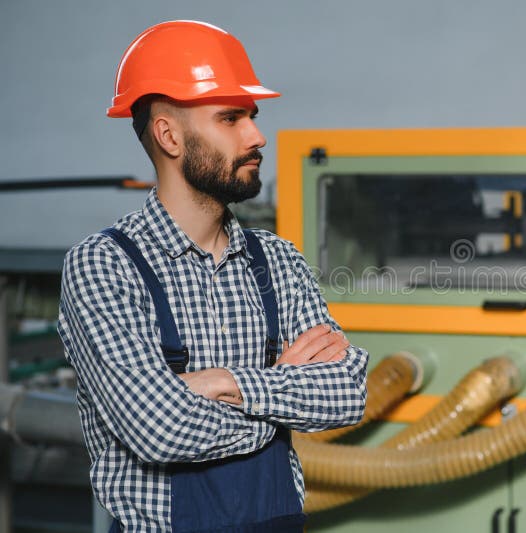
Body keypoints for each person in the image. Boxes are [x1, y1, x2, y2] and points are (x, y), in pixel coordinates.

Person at [57, 20, 368, 532]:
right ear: (169, 136)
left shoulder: (279, 260)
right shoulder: (104, 266)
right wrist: (279, 394)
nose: (257, 136)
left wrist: (224, 383)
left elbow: (345, 393)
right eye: (230, 118)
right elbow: (157, 428)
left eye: (252, 117)